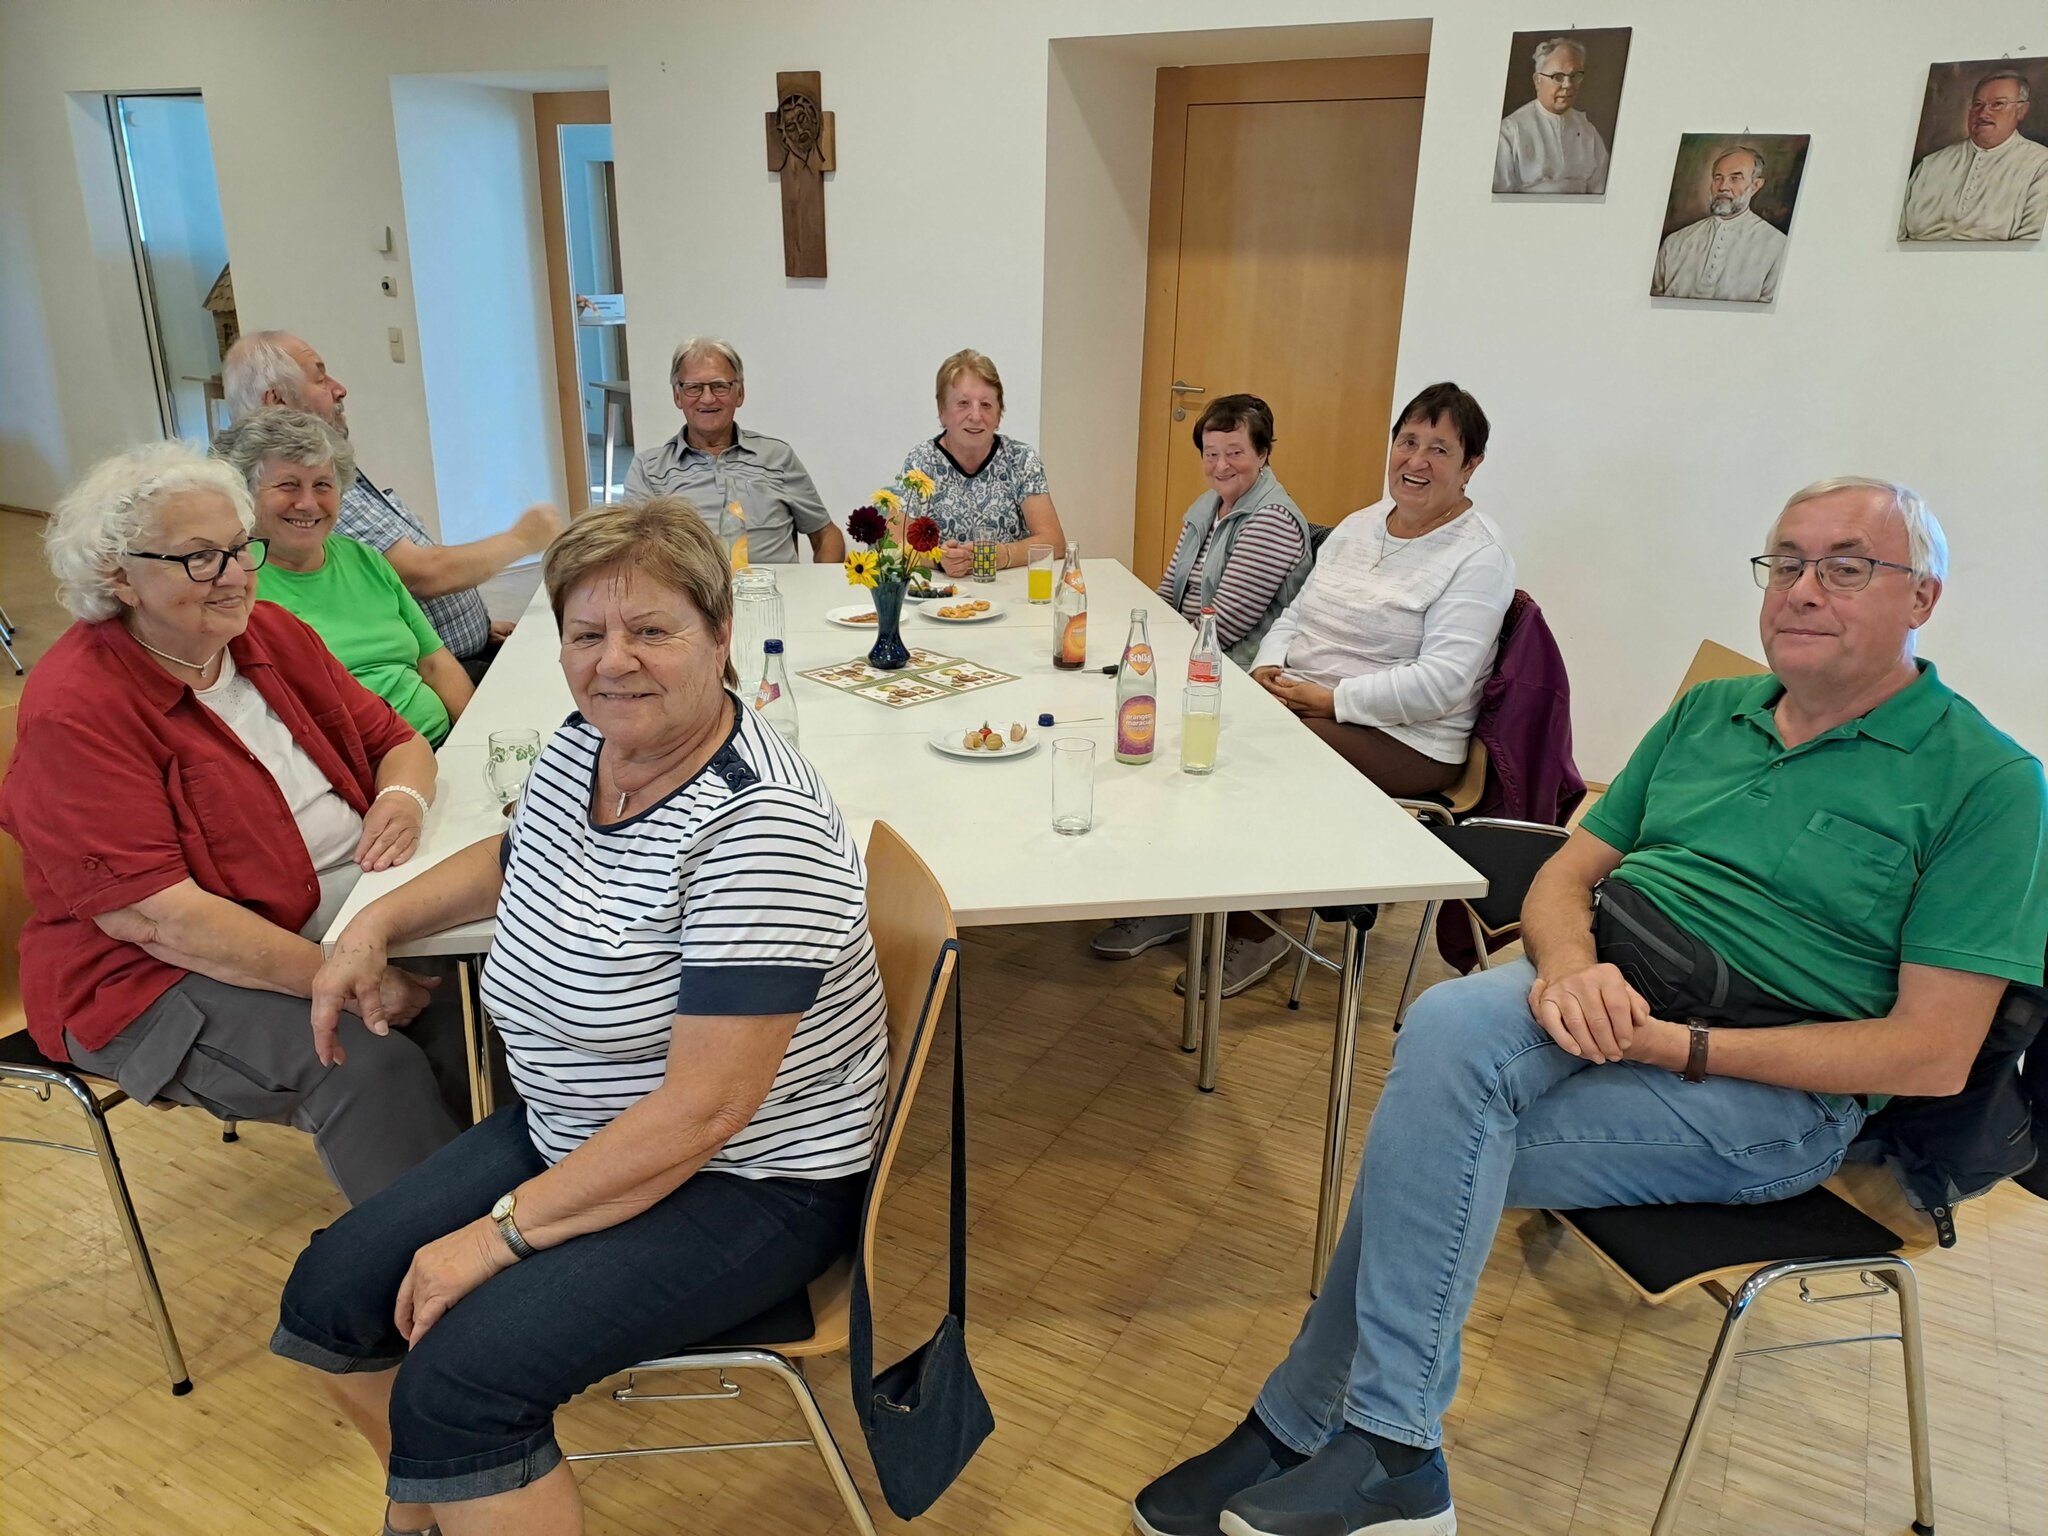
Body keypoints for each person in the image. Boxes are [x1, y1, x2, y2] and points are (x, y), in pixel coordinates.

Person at [1132, 477, 2047, 1536]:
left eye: (1845, 567)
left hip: (1762, 1086)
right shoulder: (1713, 710)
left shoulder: (1985, 783)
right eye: (1783, 561)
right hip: (1607, 989)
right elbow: (1568, 872)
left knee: (1428, 1145)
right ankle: (1385, 1449)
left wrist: (1682, 1046)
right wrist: (1566, 969)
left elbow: (1929, 1055)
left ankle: (1309, 1425)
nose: (1801, 589)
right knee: (1439, 1035)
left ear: (1920, 597)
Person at [270, 498, 890, 1536]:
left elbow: (702, 1111)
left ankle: (453, 1470)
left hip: (747, 1181)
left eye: (651, 630)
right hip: (579, 1122)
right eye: (587, 634)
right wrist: (373, 925)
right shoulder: (588, 744)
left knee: (461, 1384)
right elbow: (518, 856)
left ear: (719, 634)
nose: (614, 662)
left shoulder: (757, 830)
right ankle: (436, 1500)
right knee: (331, 1294)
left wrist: (496, 1238)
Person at [0, 443, 469, 1203]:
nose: (236, 574)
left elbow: (400, 743)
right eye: (198, 559)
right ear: (117, 575)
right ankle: (417, 1290)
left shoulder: (267, 635)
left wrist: (400, 800)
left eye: (238, 548)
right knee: (365, 1060)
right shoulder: (80, 709)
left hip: (324, 919)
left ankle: (517, 1234)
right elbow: (163, 923)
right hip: (143, 982)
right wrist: (351, 982)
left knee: (499, 999)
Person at [1110, 385, 1513, 990]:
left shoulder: (1479, 555)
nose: (1417, 461)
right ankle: (1188, 896)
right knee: (1187, 726)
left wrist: (1331, 701)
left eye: (1439, 449)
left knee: (1257, 758)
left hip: (1408, 739)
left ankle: (1257, 930)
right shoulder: (1361, 524)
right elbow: (1295, 615)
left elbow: (1443, 684)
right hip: (1308, 702)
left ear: (1470, 465)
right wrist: (1272, 670)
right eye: (1407, 442)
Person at [1089, 394, 1313, 963]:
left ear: (1263, 453)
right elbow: (1167, 595)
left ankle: (1236, 921)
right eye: (1211, 453)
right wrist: (1144, 648)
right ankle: (1168, 896)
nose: (1221, 465)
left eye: (1234, 452)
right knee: (1120, 721)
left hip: (1238, 676)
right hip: (1192, 658)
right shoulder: (1206, 506)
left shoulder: (1271, 521)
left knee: (1154, 744)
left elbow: (1225, 623)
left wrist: (1153, 656)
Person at [222, 330, 563, 679]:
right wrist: (523, 538)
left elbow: (397, 603)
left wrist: (477, 627)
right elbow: (425, 574)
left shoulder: (328, 484)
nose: (339, 389)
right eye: (320, 378)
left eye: (323, 483)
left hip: (454, 659)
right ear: (277, 399)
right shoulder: (308, 506)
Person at [214, 409, 471, 747]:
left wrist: (478, 741)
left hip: (442, 742)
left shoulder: (364, 559)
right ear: (245, 493)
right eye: (288, 485)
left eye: (322, 485)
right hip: (361, 771)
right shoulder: (237, 584)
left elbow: (434, 663)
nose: (308, 503)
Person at [622, 336, 845, 565]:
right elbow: (631, 552)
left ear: (739, 393)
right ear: (677, 396)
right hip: (693, 597)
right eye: (693, 388)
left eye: (719, 386)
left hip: (775, 594)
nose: (707, 398)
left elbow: (826, 535)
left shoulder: (777, 457)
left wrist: (822, 591)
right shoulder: (649, 469)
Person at [902, 349, 1068, 577]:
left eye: (987, 405)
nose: (976, 416)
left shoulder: (1021, 459)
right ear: (942, 412)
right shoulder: (922, 460)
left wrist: (1004, 555)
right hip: (940, 597)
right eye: (963, 403)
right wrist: (938, 559)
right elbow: (895, 544)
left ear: (1000, 414)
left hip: (1010, 592)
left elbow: (1054, 543)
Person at [1899, 69, 2048, 242]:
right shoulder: (1930, 164)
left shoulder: (2040, 164)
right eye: (1977, 104)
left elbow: (2032, 246)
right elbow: (1898, 235)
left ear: (2021, 110)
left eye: (1998, 104)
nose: (1983, 114)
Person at [1650, 146, 1788, 302]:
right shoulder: (1675, 242)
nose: (1723, 187)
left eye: (1735, 178)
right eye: (1718, 178)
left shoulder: (1777, 246)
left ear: (1755, 185)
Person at [1493, 36, 1611, 195]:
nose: (1568, 85)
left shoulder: (1588, 131)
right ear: (1538, 81)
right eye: (1558, 77)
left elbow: (1602, 191)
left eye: (1575, 76)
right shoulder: (1510, 132)